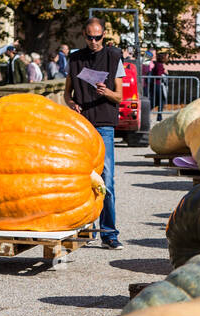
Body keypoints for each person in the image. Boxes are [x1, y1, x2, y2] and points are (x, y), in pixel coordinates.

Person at [65, 16, 124, 248]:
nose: (93, 41)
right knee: (80, 179)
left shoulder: (113, 56)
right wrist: (72, 105)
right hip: (82, 125)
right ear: (84, 35)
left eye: (97, 37)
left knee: (107, 181)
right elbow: (66, 94)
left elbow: (120, 96)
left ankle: (109, 234)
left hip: (104, 125)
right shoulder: (75, 58)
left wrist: (106, 92)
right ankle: (83, 229)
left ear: (104, 35)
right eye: (89, 37)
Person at [152, 52, 167, 117]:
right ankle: (159, 116)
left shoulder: (157, 64)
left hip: (157, 84)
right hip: (158, 84)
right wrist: (165, 74)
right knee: (161, 100)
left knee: (158, 100)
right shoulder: (159, 65)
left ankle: (159, 115)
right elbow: (159, 75)